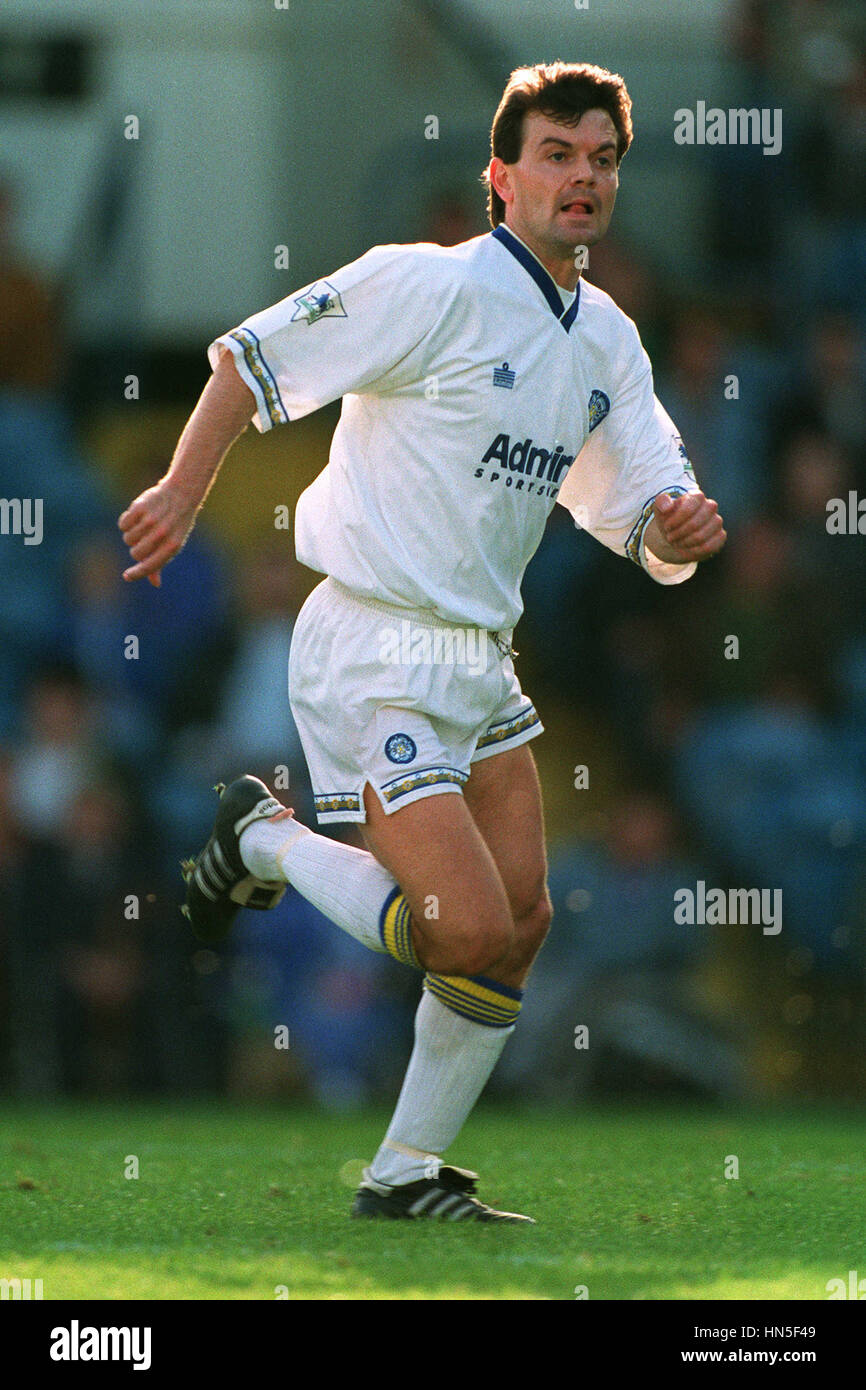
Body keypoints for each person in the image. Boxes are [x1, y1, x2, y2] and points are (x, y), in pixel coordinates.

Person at [118, 62, 726, 1223]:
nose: (582, 177)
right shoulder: (427, 286)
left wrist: (676, 531)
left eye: (600, 158)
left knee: (522, 923)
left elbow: (644, 508)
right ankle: (265, 839)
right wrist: (185, 493)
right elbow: (246, 361)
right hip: (372, 639)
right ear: (501, 177)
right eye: (555, 154)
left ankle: (400, 1175)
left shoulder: (603, 337)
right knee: (463, 925)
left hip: (477, 657)